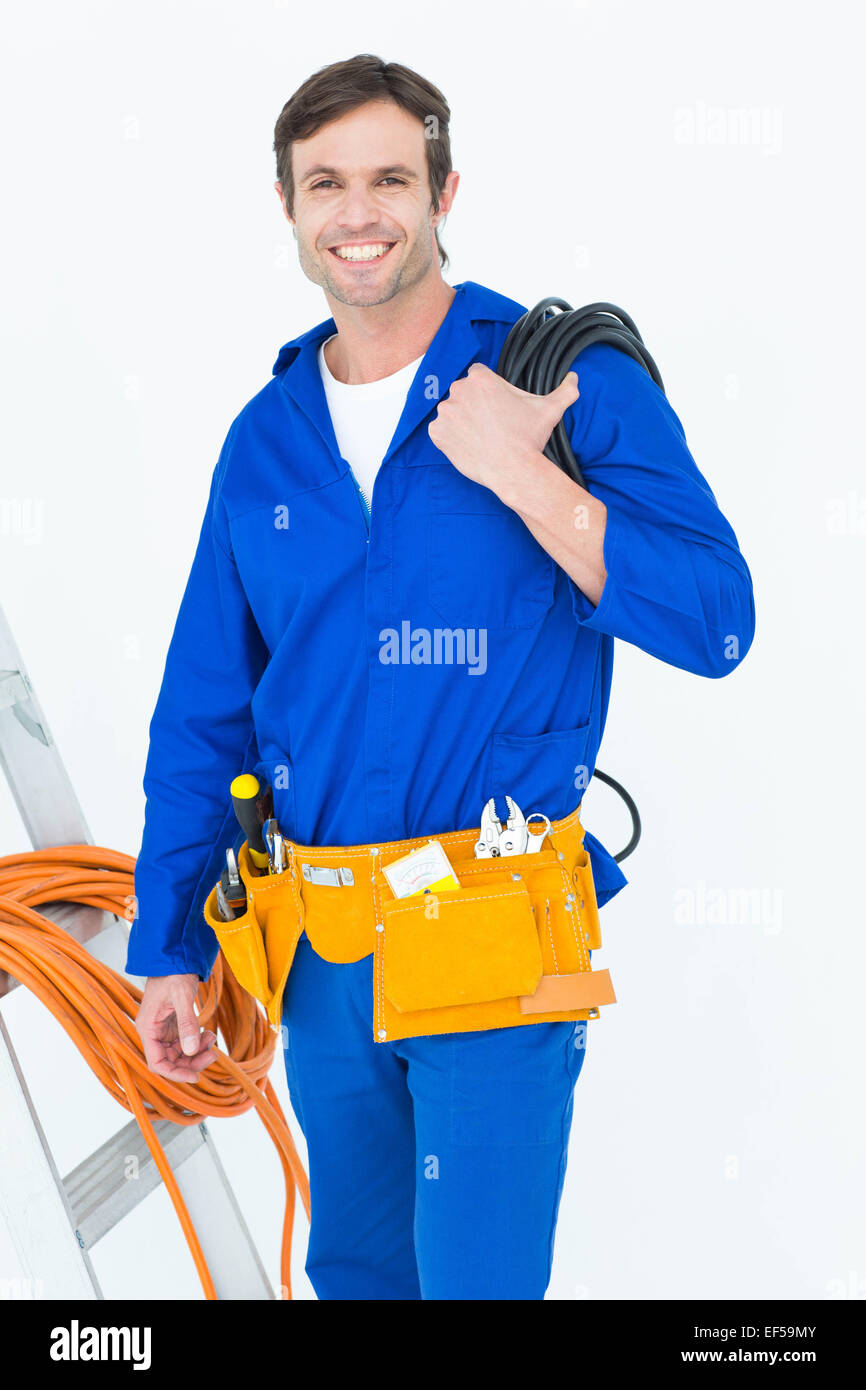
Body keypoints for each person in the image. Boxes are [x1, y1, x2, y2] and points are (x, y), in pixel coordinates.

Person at [129, 53, 755, 1299]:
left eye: (388, 178)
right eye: (325, 184)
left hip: (492, 934)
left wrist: (526, 474)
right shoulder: (266, 439)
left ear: (443, 188)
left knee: (471, 1283)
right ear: (288, 209)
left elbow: (715, 619)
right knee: (357, 1274)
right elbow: (203, 705)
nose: (357, 213)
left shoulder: (555, 376)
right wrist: (162, 940)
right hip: (321, 953)